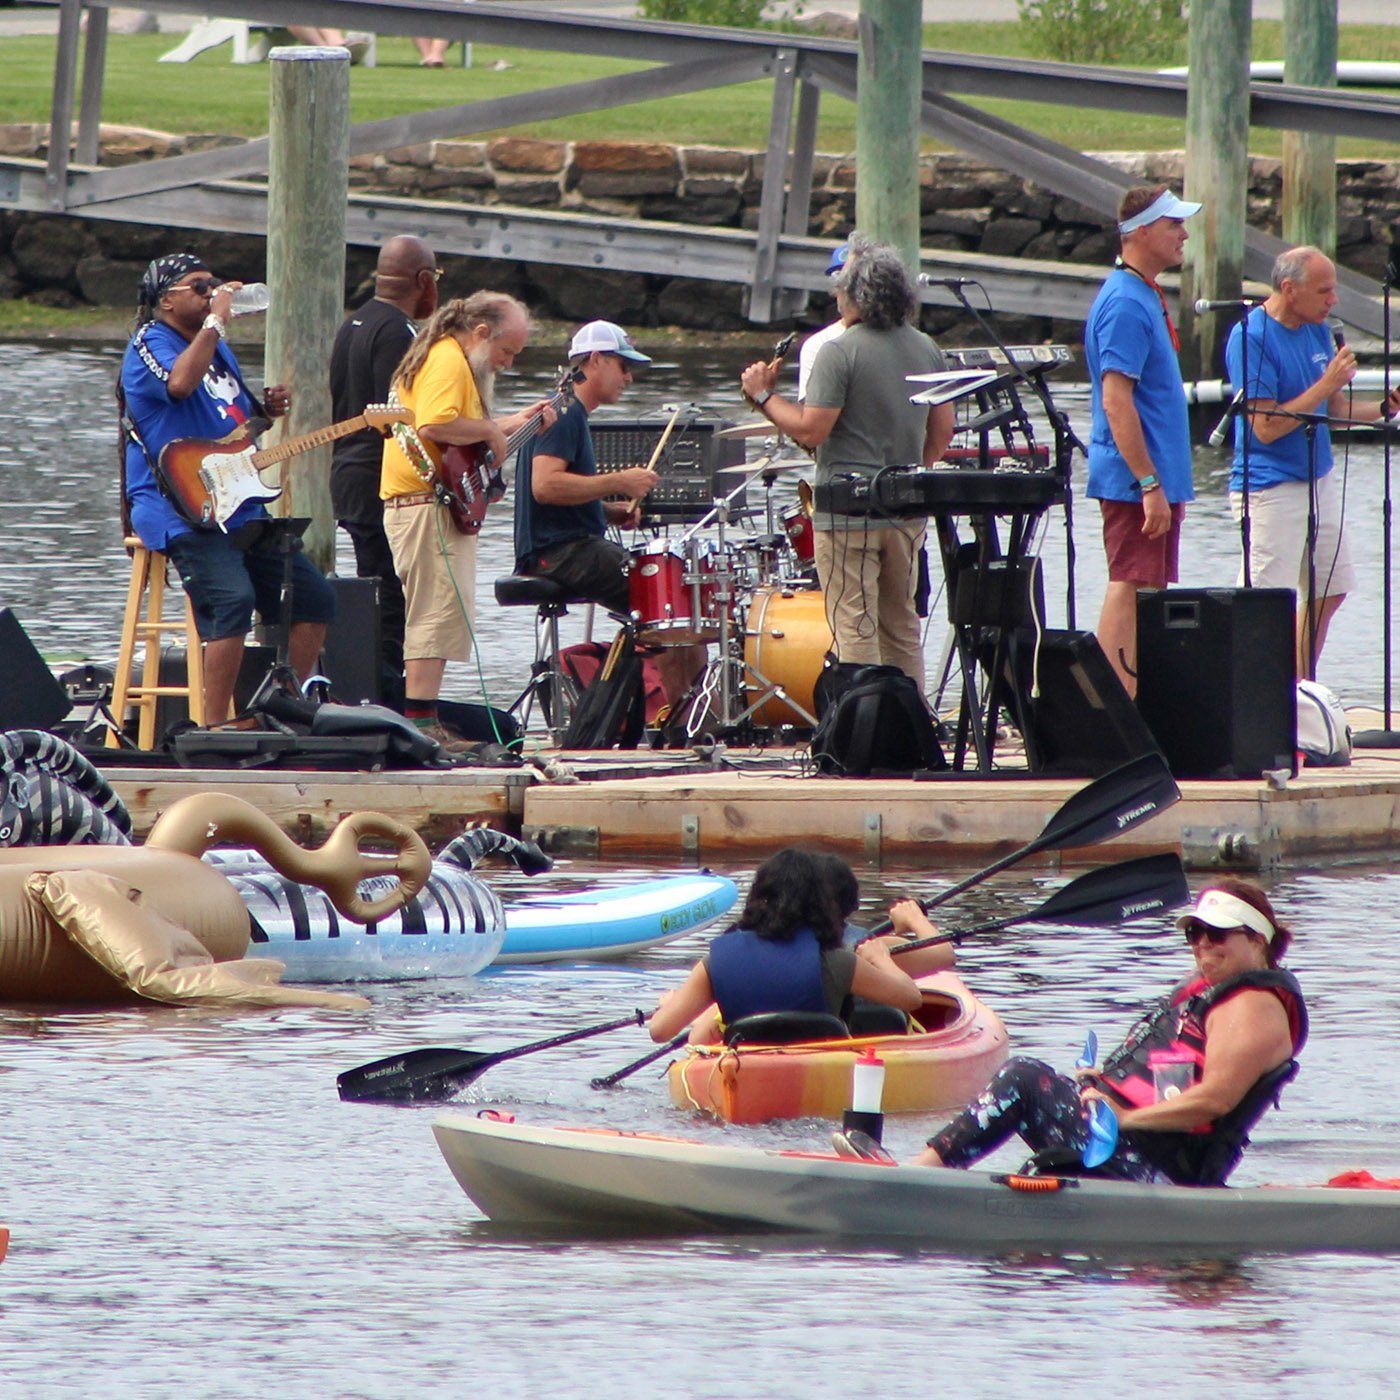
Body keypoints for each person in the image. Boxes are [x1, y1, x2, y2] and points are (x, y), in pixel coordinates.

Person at [912, 877, 1307, 1187]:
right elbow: (1174, 1075)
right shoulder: (1219, 995)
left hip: (1155, 1166)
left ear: (1257, 939)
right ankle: (931, 1174)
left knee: (1023, 1078)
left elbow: (1215, 1101)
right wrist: (1099, 1085)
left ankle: (919, 1176)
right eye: (1195, 934)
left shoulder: (1253, 1005)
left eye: (1217, 935)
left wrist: (1123, 1119)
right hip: (1133, 1147)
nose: (1203, 945)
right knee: (1038, 1083)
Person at [118, 253, 336, 725]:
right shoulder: (149, 342)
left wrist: (268, 414)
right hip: (176, 504)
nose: (211, 292)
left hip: (232, 501)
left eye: (212, 285)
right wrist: (215, 318)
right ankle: (213, 727)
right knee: (233, 600)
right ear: (166, 299)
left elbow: (233, 432)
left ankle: (278, 711)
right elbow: (179, 385)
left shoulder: (216, 347)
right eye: (198, 287)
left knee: (316, 596)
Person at [739, 234, 953, 690]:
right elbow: (941, 436)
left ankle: (870, 731)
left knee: (854, 626)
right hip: (905, 512)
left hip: (847, 512)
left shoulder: (839, 351)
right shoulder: (927, 348)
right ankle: (912, 724)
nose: (835, 296)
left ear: (858, 293)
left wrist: (762, 395)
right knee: (902, 628)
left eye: (841, 287)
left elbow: (811, 431)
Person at [381, 292, 556, 753]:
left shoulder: (451, 358)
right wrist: (491, 429)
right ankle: (420, 723)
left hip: (429, 503)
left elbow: (453, 426)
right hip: (423, 504)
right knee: (433, 614)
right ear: (481, 333)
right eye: (507, 352)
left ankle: (426, 718)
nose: (509, 363)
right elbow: (435, 426)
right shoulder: (448, 359)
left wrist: (512, 421)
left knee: (443, 614)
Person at [1225, 245, 1400, 679]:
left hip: (1317, 478)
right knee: (1268, 603)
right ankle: (1261, 699)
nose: (1333, 300)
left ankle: (1298, 687)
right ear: (1289, 289)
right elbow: (1264, 426)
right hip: (1269, 486)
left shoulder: (1318, 328)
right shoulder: (1252, 336)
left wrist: (1384, 407)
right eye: (1323, 291)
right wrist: (1326, 383)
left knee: (1331, 588)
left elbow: (1334, 410)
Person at [514, 319, 703, 708]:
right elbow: (545, 486)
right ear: (596, 360)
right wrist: (620, 479)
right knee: (669, 601)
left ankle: (676, 710)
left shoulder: (567, 410)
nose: (629, 378)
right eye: (623, 366)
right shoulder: (564, 411)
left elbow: (557, 493)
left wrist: (610, 512)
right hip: (562, 554)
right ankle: (680, 722)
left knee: (677, 595)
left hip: (569, 546)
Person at [1084, 185, 1201, 698]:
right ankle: (1111, 713)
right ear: (1141, 232)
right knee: (1129, 583)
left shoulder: (1144, 293)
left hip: (1157, 478)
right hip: (1138, 479)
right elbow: (1116, 400)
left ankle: (1130, 706)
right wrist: (1148, 482)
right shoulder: (1126, 303)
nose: (1184, 234)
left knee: (1147, 587)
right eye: (1174, 224)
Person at [647, 848, 927, 1046]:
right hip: (820, 1072)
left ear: (758, 898)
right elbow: (911, 999)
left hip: (743, 1073)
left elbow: (659, 1031)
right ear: (820, 904)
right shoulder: (837, 962)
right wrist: (882, 958)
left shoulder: (714, 963)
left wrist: (671, 1006)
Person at [329, 234, 441, 706]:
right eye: (434, 279)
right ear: (421, 281)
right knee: (393, 598)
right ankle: (387, 700)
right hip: (379, 479)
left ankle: (368, 693)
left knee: (373, 588)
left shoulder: (352, 324)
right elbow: (398, 419)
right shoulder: (399, 333)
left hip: (346, 473)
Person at [795, 243, 849, 402]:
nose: (846, 285)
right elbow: (808, 416)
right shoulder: (817, 345)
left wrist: (763, 396)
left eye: (855, 276)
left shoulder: (912, 342)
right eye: (838, 276)